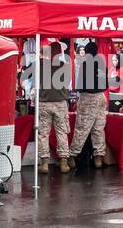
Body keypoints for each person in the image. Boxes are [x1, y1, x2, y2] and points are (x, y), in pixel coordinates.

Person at [70, 39, 112, 168]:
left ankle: (72, 156)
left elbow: (80, 85)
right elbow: (105, 84)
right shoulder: (102, 65)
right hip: (100, 97)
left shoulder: (85, 64)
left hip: (88, 98)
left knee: (82, 128)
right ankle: (98, 158)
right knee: (98, 129)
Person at [37, 42, 72, 174]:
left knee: (43, 134)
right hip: (60, 103)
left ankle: (44, 164)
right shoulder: (65, 66)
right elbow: (67, 82)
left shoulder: (40, 66)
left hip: (44, 103)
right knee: (62, 133)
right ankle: (64, 163)